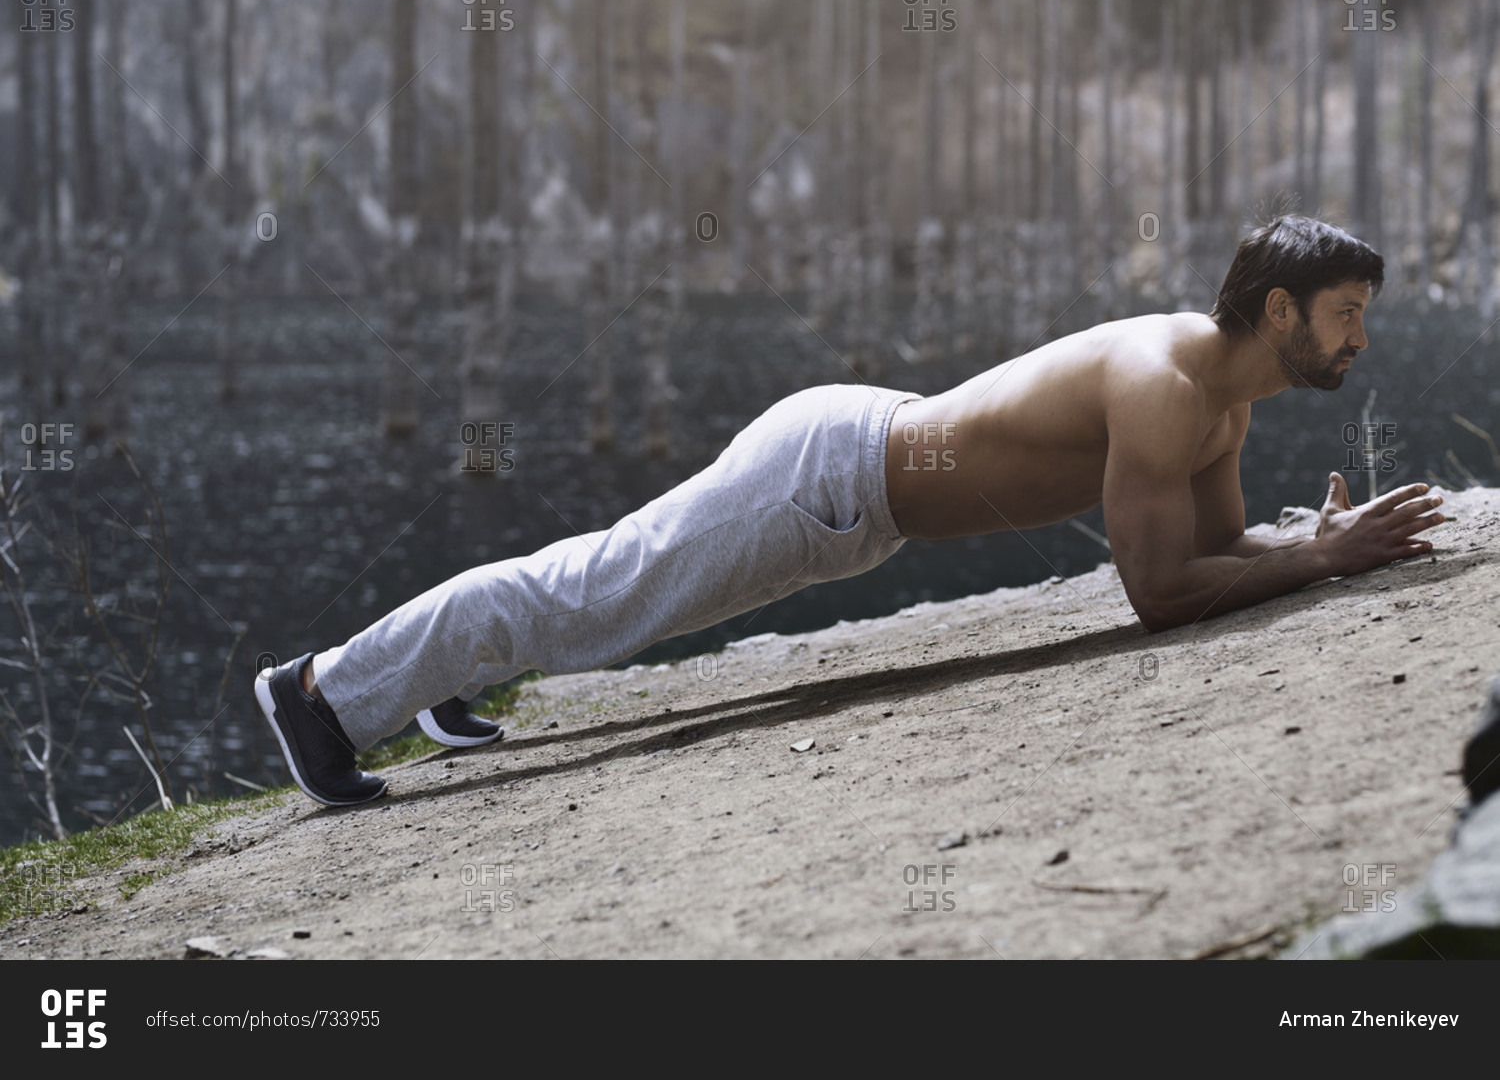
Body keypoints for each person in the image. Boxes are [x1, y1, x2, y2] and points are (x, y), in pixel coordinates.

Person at [255, 214, 1446, 806]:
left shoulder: (1223, 408)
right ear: (1281, 310)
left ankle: (439, 668)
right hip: (827, 476)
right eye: (1346, 311)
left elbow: (1218, 551)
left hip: (856, 482)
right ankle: (320, 695)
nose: (1356, 335)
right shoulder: (1165, 384)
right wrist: (1324, 561)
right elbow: (1159, 595)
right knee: (603, 591)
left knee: (596, 587)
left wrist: (1307, 544)